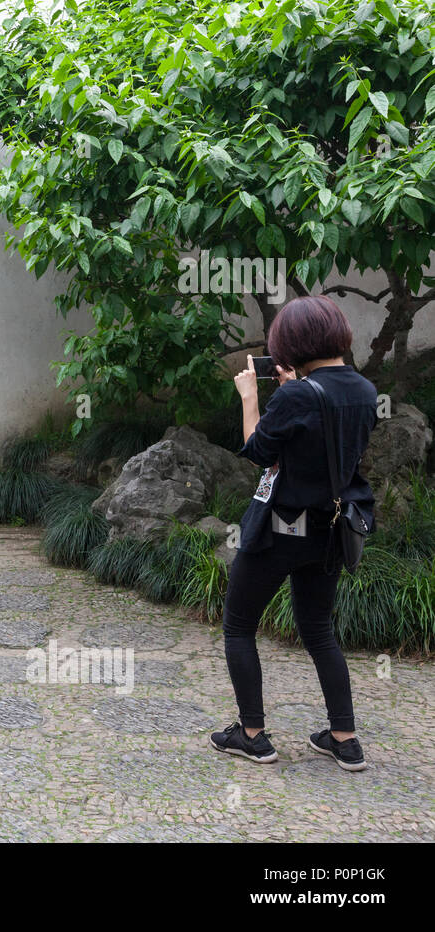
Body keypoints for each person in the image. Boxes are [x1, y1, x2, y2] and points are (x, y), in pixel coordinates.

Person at [210, 295, 378, 772]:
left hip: (279, 532)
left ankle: (252, 734)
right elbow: (327, 442)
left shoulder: (295, 395)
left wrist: (251, 396)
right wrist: (294, 389)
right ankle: (344, 739)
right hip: (330, 530)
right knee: (319, 630)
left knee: (240, 625)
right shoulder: (365, 391)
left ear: (293, 342)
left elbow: (260, 451)